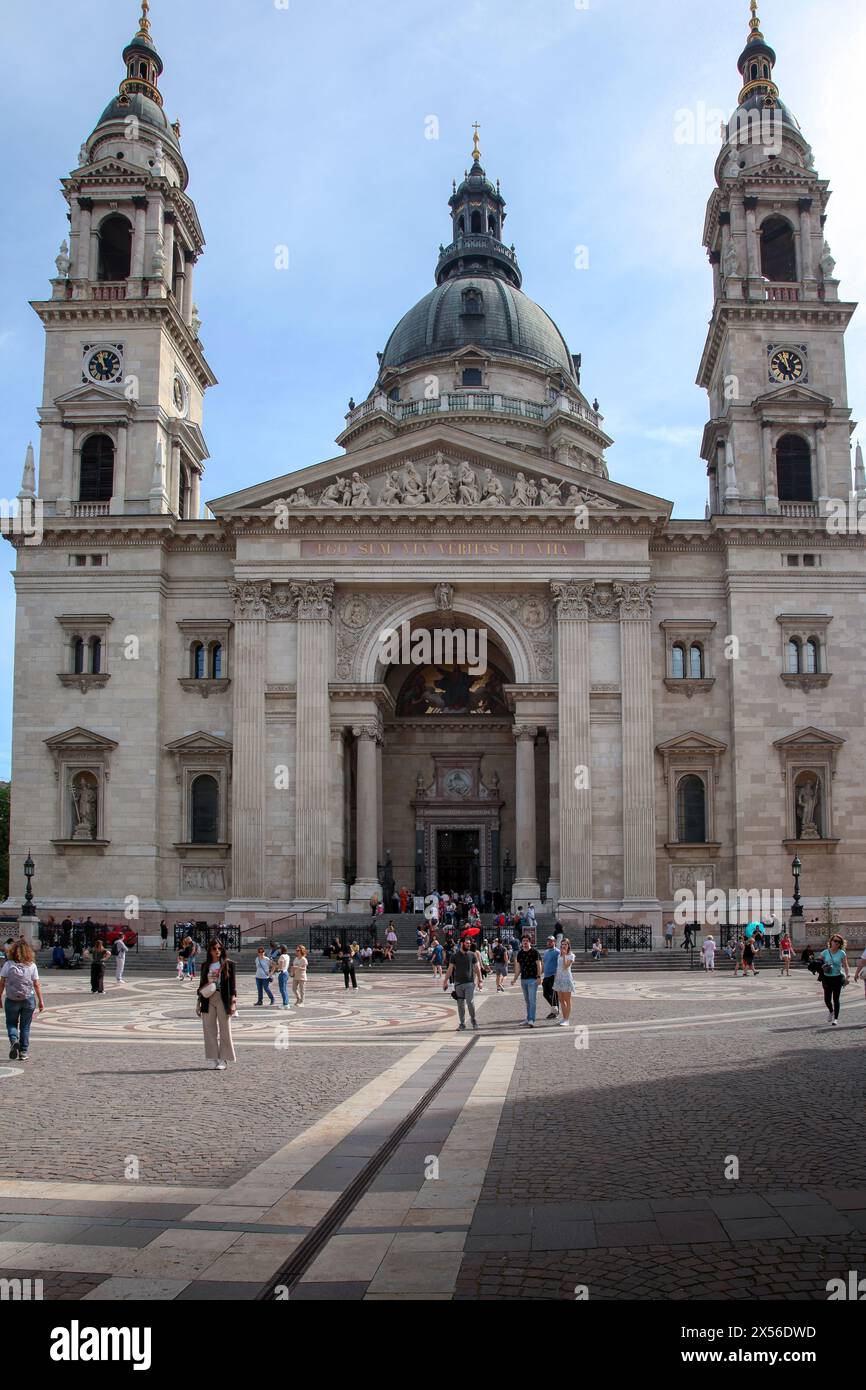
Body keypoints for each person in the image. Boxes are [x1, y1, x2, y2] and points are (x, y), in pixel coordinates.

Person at [0, 939, 45, 1061]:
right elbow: (36, 984)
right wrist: (41, 1000)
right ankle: (23, 1052)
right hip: (28, 999)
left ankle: (14, 1039)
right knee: (25, 1026)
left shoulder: (8, 965)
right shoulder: (32, 965)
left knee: (11, 1023)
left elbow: (2, 983)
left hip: (11, 999)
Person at [197, 939, 237, 1070]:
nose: (217, 951)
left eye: (219, 948)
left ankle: (224, 1059)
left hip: (223, 998)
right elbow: (201, 986)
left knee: (225, 1029)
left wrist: (233, 1003)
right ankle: (213, 1058)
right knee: (209, 1030)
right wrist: (198, 1002)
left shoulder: (228, 964)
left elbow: (233, 986)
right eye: (214, 948)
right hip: (208, 999)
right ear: (209, 950)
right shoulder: (205, 965)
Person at [444, 937, 481, 1031]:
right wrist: (445, 981)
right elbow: (450, 969)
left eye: (469, 943)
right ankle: (462, 1023)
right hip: (458, 983)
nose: (469, 945)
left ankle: (473, 1020)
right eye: (467, 943)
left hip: (469, 982)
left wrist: (480, 980)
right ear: (462, 943)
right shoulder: (454, 955)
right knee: (460, 1004)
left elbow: (477, 968)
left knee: (470, 1002)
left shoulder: (472, 955)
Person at [819, 933, 850, 1026]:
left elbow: (845, 965)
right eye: (835, 941)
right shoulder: (825, 952)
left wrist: (848, 975)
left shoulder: (841, 953)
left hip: (837, 977)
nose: (836, 943)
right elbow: (818, 963)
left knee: (836, 999)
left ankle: (836, 1018)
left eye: (839, 942)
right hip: (826, 978)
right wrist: (822, 965)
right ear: (831, 941)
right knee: (827, 999)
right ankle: (831, 1011)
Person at [511, 933, 542, 1028]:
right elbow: (518, 968)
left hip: (533, 979)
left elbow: (539, 965)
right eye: (523, 941)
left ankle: (532, 1019)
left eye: (526, 941)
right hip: (523, 979)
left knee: (532, 1001)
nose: (525, 943)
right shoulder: (520, 953)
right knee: (527, 1001)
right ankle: (528, 1018)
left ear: (530, 942)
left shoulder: (535, 952)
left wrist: (539, 977)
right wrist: (514, 979)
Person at [554, 938, 575, 1028]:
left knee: (567, 1000)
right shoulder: (559, 955)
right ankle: (564, 1017)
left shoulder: (571, 955)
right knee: (561, 999)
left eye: (565, 944)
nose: (563, 946)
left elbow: (566, 966)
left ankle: (567, 1019)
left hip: (566, 979)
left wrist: (565, 955)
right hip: (559, 979)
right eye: (562, 944)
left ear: (568, 945)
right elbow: (558, 967)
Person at [541, 936, 560, 1020]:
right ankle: (555, 1009)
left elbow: (559, 965)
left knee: (554, 995)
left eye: (551, 941)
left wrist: (557, 976)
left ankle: (554, 1012)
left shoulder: (557, 952)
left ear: (554, 942)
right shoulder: (546, 952)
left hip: (553, 976)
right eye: (548, 941)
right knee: (545, 994)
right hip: (546, 976)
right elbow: (544, 963)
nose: (549, 943)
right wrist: (540, 974)